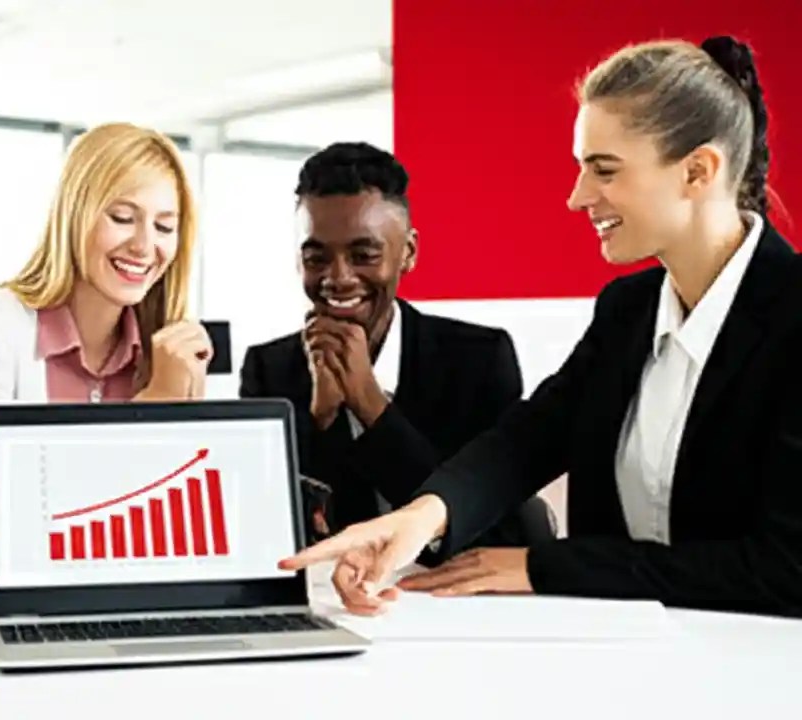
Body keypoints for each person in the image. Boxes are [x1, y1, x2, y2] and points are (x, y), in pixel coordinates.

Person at [280, 36, 802, 618]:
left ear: (698, 170)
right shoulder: (628, 309)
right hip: (624, 651)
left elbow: (784, 568)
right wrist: (416, 519)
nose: (578, 197)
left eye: (604, 170)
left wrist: (540, 566)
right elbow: (530, 438)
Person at [0, 122, 211, 588]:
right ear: (75, 214)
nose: (145, 246)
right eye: (122, 217)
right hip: (5, 601)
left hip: (132, 594)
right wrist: (154, 409)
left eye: (164, 226)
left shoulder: (170, 348)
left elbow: (174, 526)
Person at [240, 142, 554, 548]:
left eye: (363, 255)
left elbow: (493, 529)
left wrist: (370, 404)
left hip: (451, 598)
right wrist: (320, 420)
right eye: (317, 258)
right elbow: (267, 532)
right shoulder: (270, 368)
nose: (338, 277)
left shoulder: (478, 360)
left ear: (408, 253)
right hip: (330, 597)